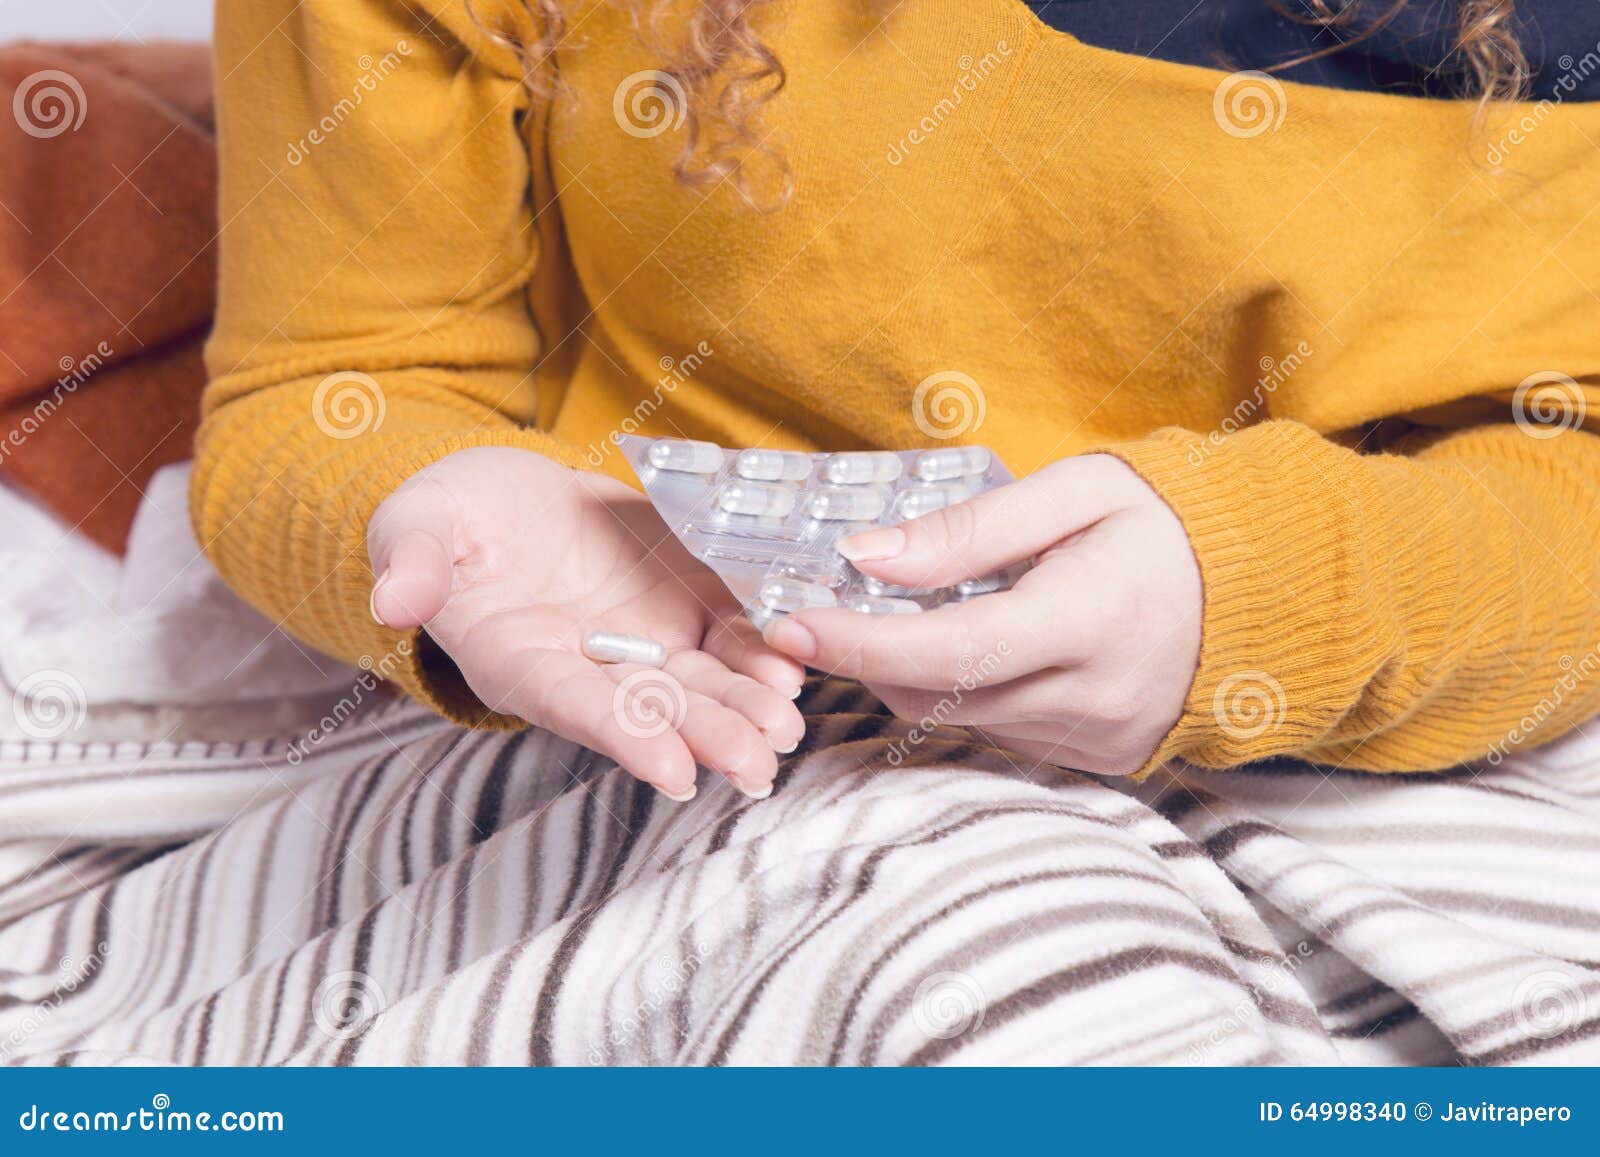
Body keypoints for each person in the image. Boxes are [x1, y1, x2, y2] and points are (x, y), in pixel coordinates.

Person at [193, 0, 1600, 803]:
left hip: (1347, 748)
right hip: (639, 724)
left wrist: (1260, 599)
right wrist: (428, 501)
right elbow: (325, 381)